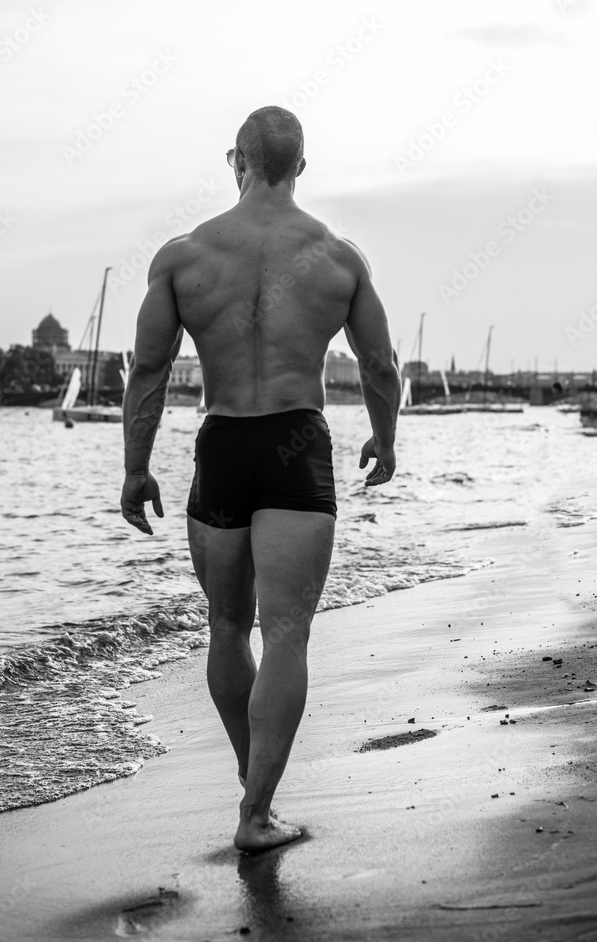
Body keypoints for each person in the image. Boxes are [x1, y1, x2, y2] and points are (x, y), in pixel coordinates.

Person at [121, 106, 401, 853]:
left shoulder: (183, 256)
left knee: (224, 626)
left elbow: (147, 371)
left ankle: (253, 788)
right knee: (286, 633)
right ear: (301, 166)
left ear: (234, 160)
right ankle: (255, 812)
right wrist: (386, 437)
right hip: (294, 440)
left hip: (222, 445)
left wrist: (136, 468)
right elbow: (380, 366)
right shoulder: (338, 258)